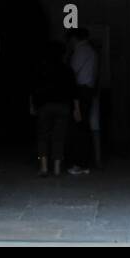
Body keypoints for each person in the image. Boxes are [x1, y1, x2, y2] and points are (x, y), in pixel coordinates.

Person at [30, 41, 75, 177]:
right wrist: (76, 107)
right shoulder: (67, 69)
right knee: (59, 137)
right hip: (63, 106)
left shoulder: (42, 69)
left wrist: (32, 105)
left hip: (45, 106)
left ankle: (44, 168)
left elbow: (33, 88)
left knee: (43, 136)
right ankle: (56, 168)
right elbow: (73, 89)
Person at [66, 28, 98, 175]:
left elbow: (71, 72)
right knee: (84, 126)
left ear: (74, 39)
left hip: (81, 91)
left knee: (78, 127)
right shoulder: (91, 51)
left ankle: (80, 163)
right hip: (88, 90)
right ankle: (84, 162)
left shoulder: (80, 51)